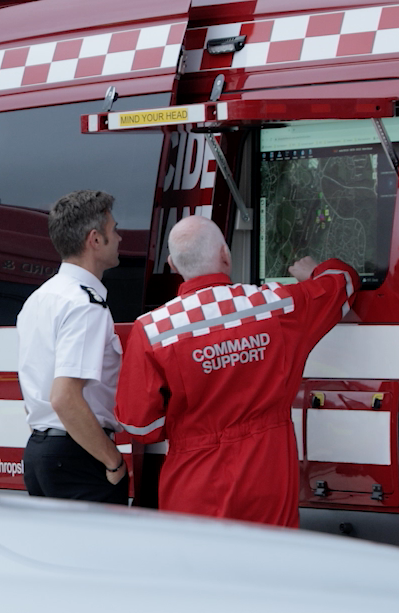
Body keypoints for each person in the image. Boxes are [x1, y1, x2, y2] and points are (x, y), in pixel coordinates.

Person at [116, 215, 358, 526]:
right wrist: (313, 272)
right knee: (269, 567)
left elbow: (140, 427)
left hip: (194, 482)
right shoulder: (276, 306)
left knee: (200, 571)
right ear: (225, 257)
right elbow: (344, 280)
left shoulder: (152, 330)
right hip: (268, 475)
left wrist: (186, 422)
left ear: (172, 266)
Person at [16, 190, 129, 503]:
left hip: (42, 451)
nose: (120, 238)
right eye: (114, 230)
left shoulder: (40, 298)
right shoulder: (84, 304)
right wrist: (113, 461)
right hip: (79, 457)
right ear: (94, 240)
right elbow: (64, 397)